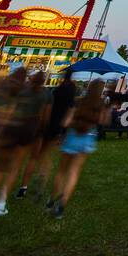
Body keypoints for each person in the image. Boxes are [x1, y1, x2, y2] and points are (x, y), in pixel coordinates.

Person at [48, 78, 109, 218]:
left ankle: (52, 199)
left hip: (73, 136)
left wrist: (61, 133)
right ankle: (61, 206)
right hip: (88, 138)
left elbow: (66, 122)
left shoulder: (79, 101)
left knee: (62, 171)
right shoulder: (100, 104)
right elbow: (102, 121)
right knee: (74, 172)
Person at [0, 69, 47, 216]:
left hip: (14, 125)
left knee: (1, 163)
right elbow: (42, 116)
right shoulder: (43, 95)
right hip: (29, 128)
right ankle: (0, 204)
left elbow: (10, 109)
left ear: (31, 78)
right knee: (15, 166)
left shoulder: (22, 91)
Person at [20, 72, 74, 197]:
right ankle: (42, 179)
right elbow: (70, 111)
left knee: (36, 156)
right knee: (44, 155)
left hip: (46, 123)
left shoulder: (55, 91)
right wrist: (64, 128)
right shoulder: (70, 92)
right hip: (56, 126)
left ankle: (30, 182)